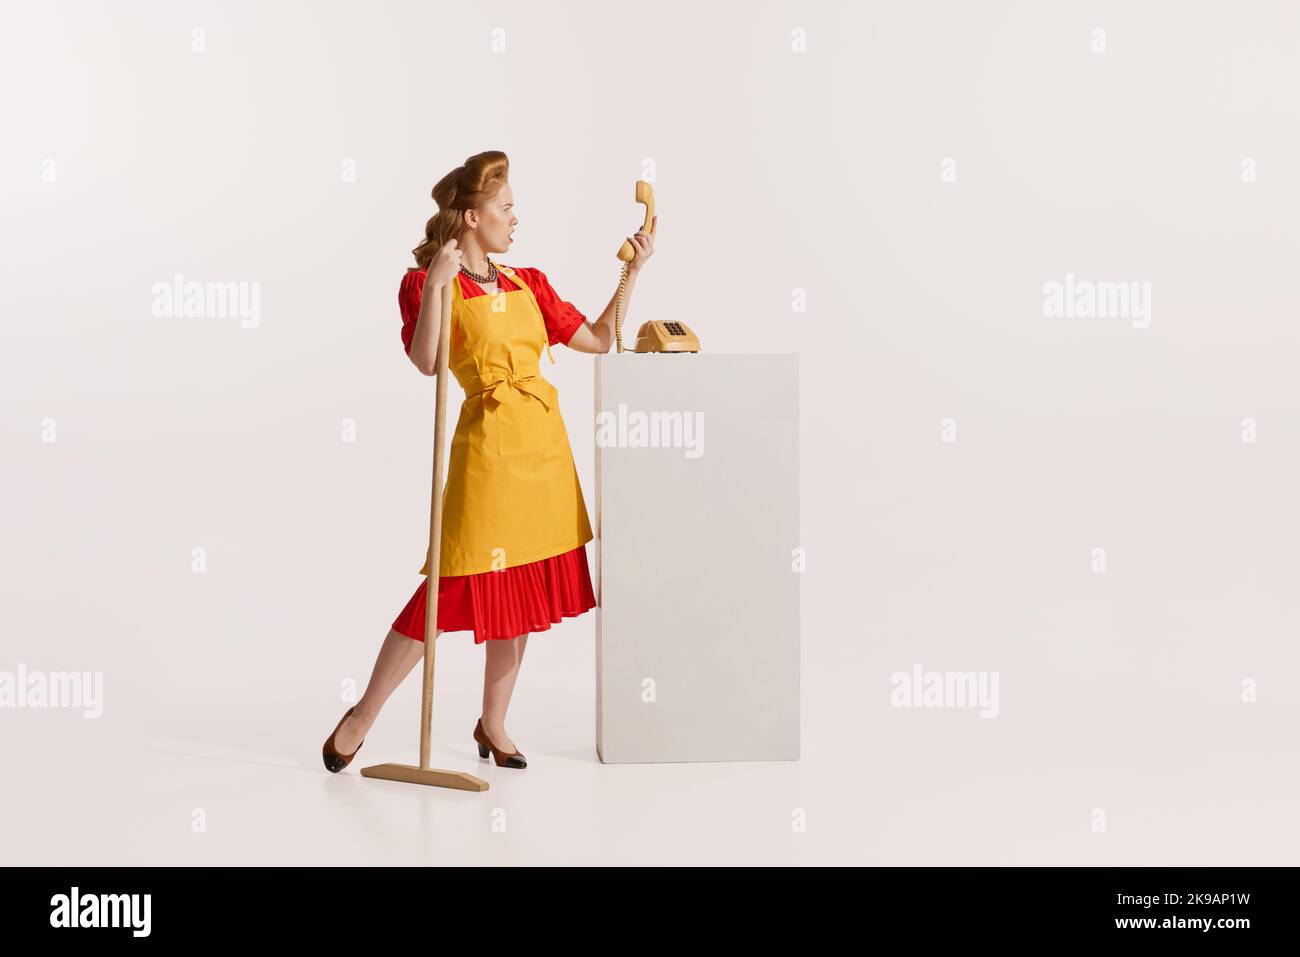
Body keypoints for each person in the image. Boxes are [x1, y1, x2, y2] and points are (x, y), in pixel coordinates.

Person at [322, 150, 656, 772]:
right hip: (486, 451)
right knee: (445, 592)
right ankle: (364, 712)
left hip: (543, 451)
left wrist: (631, 273)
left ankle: (493, 724)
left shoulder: (529, 282)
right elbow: (426, 363)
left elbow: (600, 340)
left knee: (519, 589)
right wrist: (441, 287)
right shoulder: (424, 283)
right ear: (472, 218)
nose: (514, 220)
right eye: (505, 209)